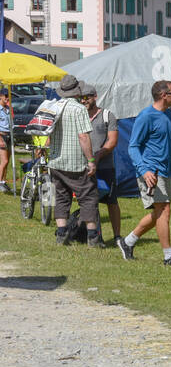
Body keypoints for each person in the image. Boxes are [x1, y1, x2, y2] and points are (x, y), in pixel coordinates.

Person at [121, 79, 171, 266]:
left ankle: (128, 242)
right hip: (151, 171)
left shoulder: (168, 115)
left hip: (164, 170)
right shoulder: (146, 116)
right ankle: (168, 256)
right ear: (164, 95)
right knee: (164, 211)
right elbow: (133, 147)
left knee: (158, 212)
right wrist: (144, 171)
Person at [47, 75, 103, 248]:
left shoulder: (54, 107)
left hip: (56, 161)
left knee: (62, 197)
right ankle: (93, 238)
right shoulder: (79, 109)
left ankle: (61, 234)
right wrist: (91, 160)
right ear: (77, 91)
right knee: (88, 198)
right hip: (76, 163)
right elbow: (83, 136)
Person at [82, 85, 122, 245]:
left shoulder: (107, 115)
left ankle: (117, 236)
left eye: (87, 97)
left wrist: (98, 155)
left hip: (105, 166)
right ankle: (96, 236)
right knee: (91, 203)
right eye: (82, 97)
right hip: (85, 167)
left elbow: (112, 141)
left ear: (95, 96)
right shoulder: (79, 116)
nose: (84, 100)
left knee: (111, 202)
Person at [0, 88, 12, 193]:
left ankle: (3, 182)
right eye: (5, 96)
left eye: (8, 96)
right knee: (4, 161)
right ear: (0, 96)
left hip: (9, 136)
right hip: (1, 136)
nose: (7, 98)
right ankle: (0, 183)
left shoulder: (8, 109)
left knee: (7, 162)